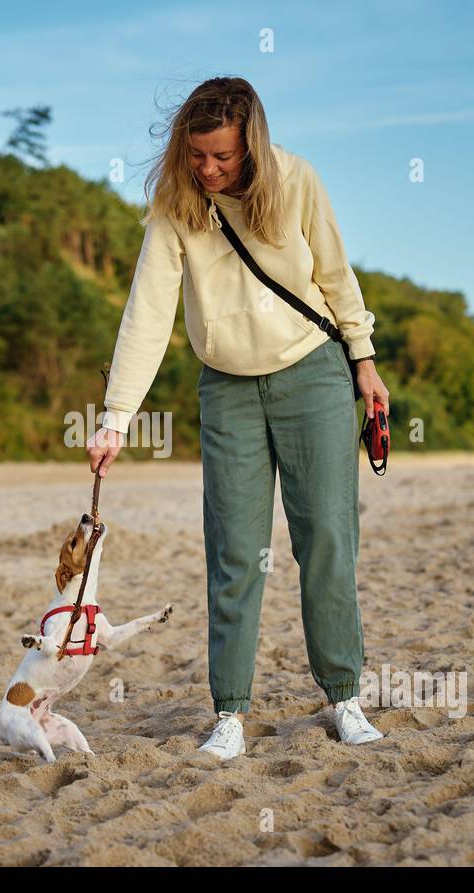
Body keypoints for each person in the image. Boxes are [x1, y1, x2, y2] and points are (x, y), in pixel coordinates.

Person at [86, 76, 390, 760]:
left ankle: (344, 698)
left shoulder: (297, 179)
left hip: (312, 374)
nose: (209, 169)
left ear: (250, 144)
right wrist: (115, 419)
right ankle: (229, 713)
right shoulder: (176, 207)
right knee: (232, 555)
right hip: (226, 389)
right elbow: (148, 313)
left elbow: (337, 277)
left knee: (328, 541)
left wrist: (365, 364)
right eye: (197, 156)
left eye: (222, 157)